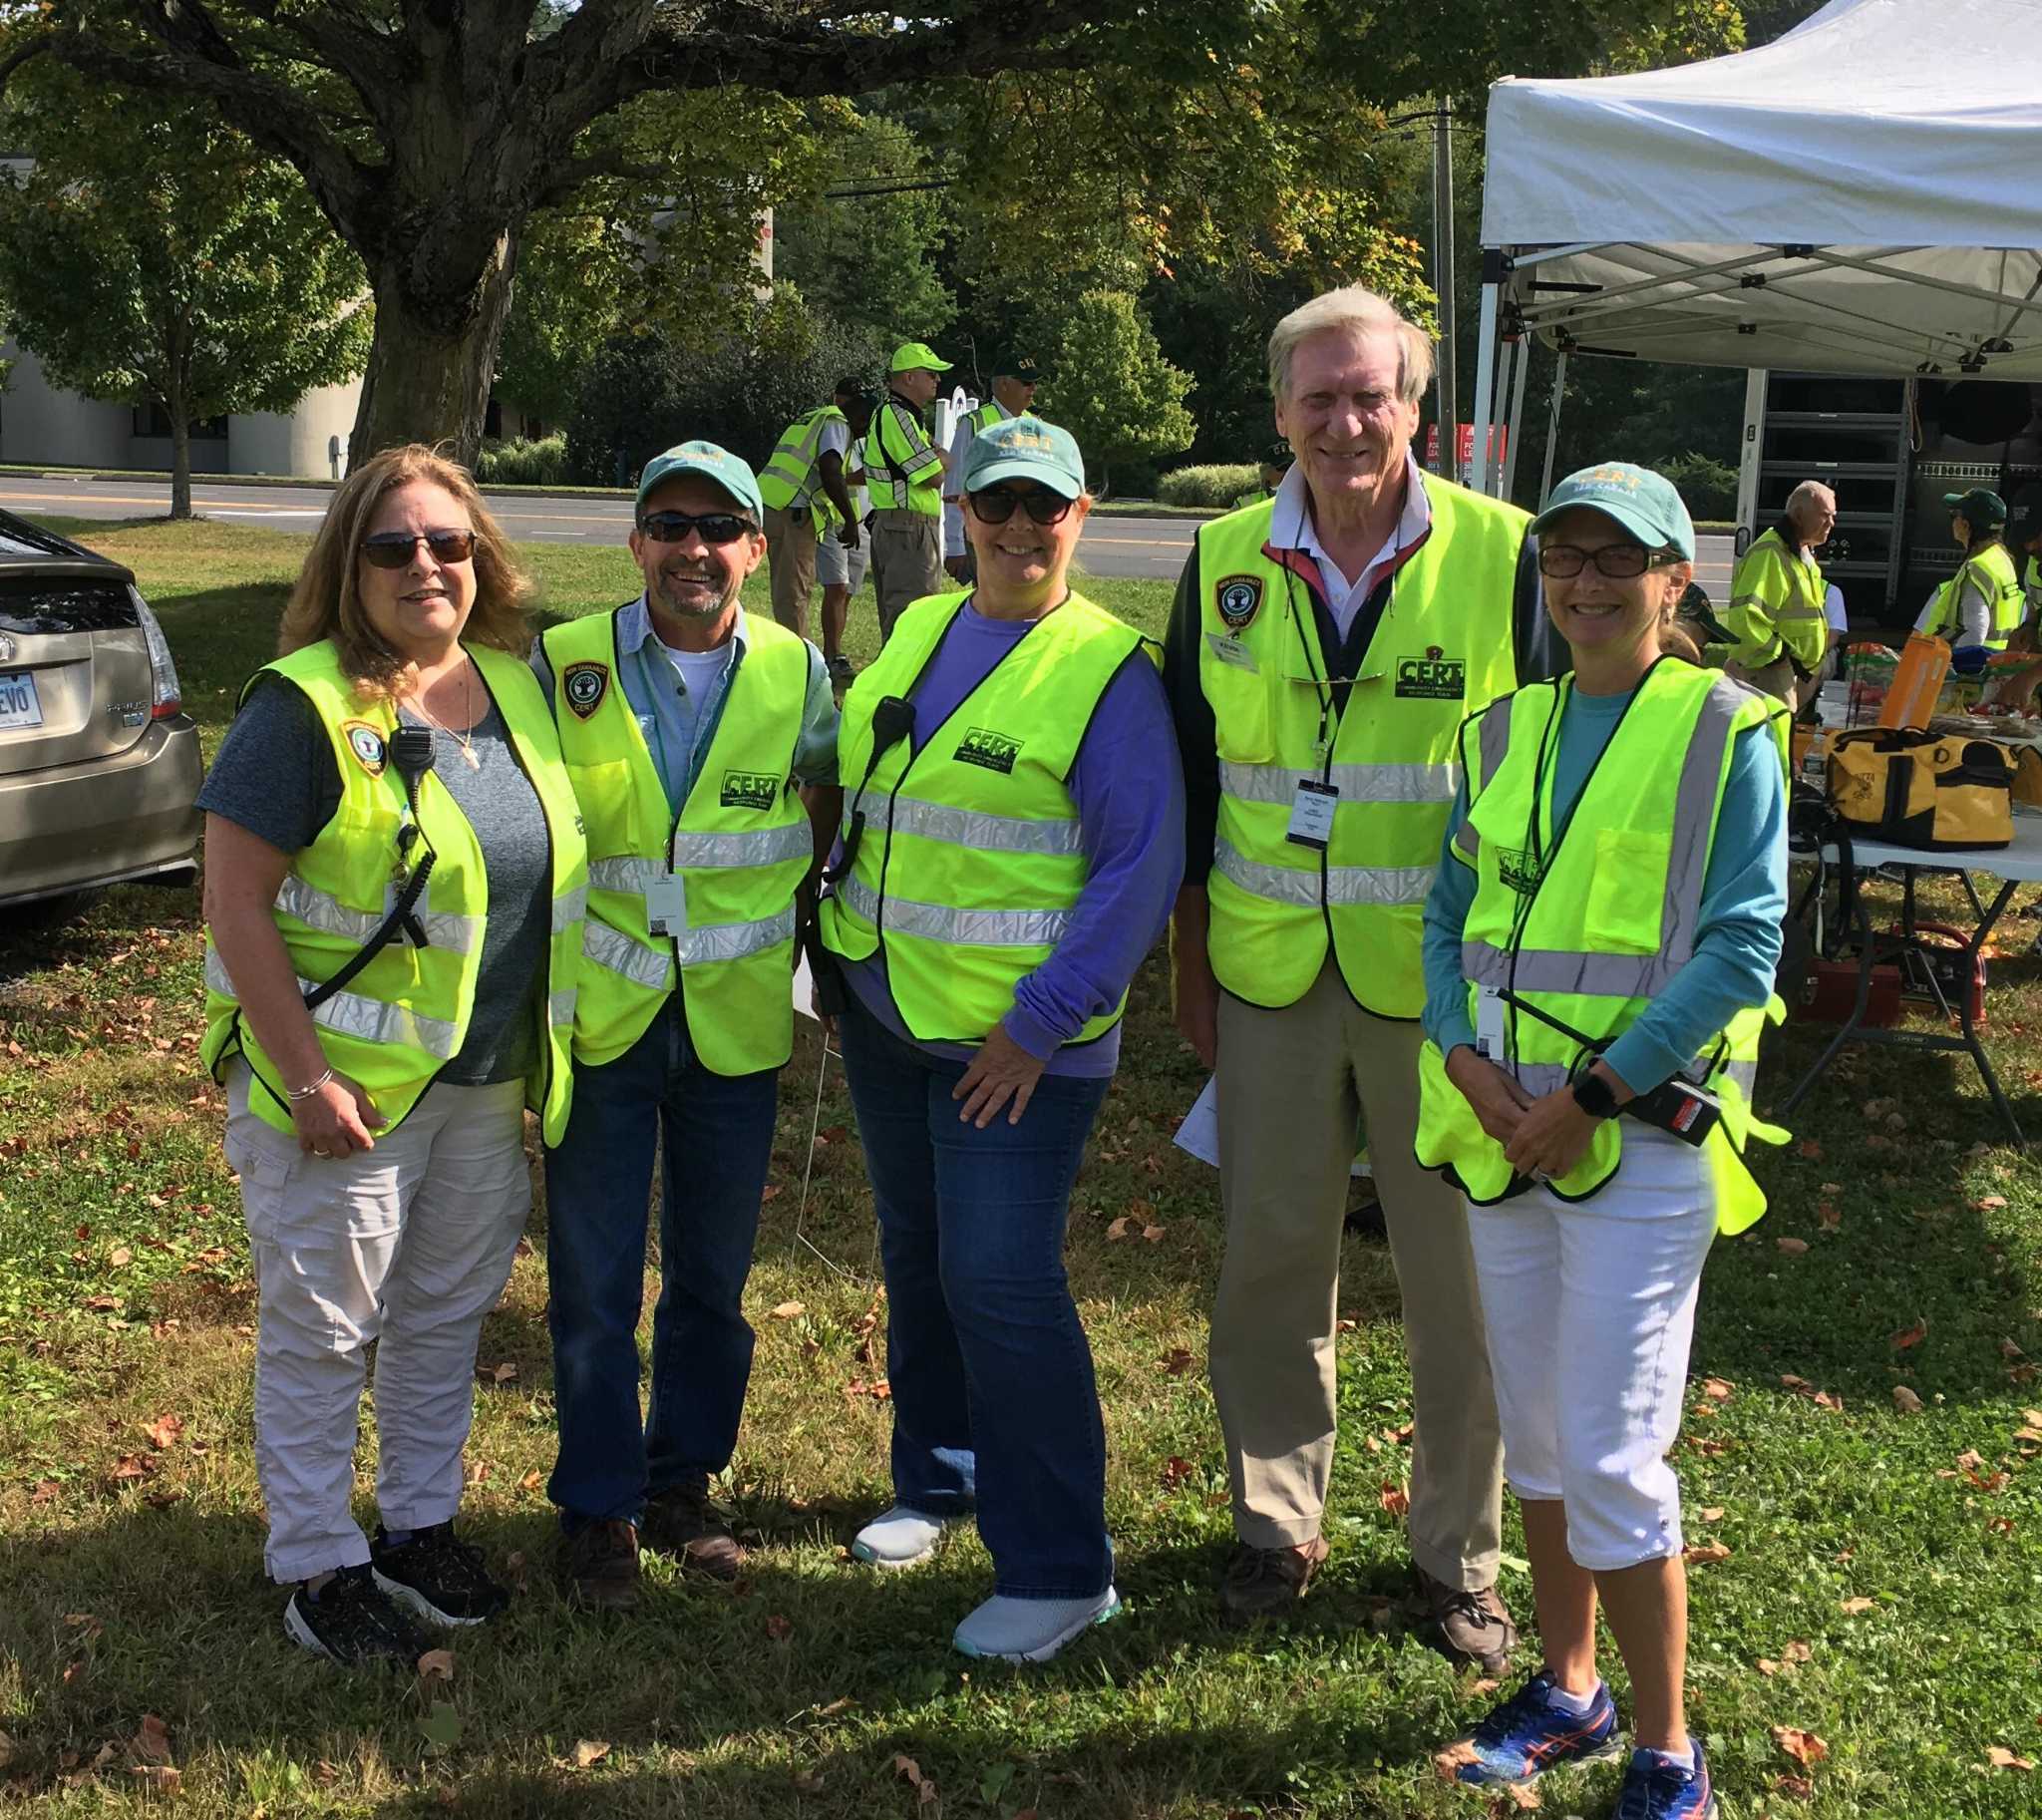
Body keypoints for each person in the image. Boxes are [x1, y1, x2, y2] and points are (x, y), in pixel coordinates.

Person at [1163, 284, 1554, 1657]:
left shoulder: (1504, 554)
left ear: (1413, 407)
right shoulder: (1220, 557)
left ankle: (1458, 1558)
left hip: (1446, 996)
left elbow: (1553, 765)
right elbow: (1196, 781)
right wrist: (1191, 960)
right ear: (1280, 411)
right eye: (1318, 398)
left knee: (1459, 1282)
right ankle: (1275, 1524)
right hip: (1267, 974)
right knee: (1270, 1262)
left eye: (1369, 395)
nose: (1344, 423)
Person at [1416, 462, 1789, 1820]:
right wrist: (1464, 1063)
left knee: (1615, 1456)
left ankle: (1670, 1753)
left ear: (1674, 581)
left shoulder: (1724, 732)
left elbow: (1741, 945)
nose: (1584, 582)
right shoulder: (1500, 731)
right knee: (1539, 1434)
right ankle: (1570, 1687)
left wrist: (1588, 1095)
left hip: (1637, 1142)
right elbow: (1442, 924)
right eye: (1564, 557)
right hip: (1501, 1134)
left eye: (1617, 560)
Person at [197, 445, 588, 1664]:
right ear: (348, 564)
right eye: (394, 544)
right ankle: (317, 1563)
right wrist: (306, 1076)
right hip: (341, 1090)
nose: (426, 564)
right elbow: (234, 902)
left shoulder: (514, 686)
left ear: (481, 559)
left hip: (482, 1080)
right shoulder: (304, 705)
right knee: (325, 1327)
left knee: (442, 1314)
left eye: (448, 542)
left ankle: (418, 1526)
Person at [819, 415, 1185, 1663]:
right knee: (920, 1253)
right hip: (889, 1009)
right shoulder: (921, 626)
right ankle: (938, 1479)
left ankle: (1060, 1567)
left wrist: (1035, 1028)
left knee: (1001, 1279)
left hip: (1018, 1045)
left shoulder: (1107, 671)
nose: (1019, 528)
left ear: (1082, 514)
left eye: (1045, 505)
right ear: (960, 512)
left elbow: (1138, 870)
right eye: (996, 504)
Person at [534, 441, 842, 1610]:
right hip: (604, 1022)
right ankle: (597, 1507)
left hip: (734, 1023)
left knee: (710, 1279)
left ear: (757, 549)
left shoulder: (795, 670)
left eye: (719, 528)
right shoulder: (565, 662)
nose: (693, 549)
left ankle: (681, 1484)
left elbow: (824, 798)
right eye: (669, 525)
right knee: (594, 1284)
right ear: (635, 542)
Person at [759, 377, 868, 679]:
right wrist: (849, 519)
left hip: (784, 505)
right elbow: (831, 471)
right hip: (790, 509)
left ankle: (806, 661)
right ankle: (798, 668)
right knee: (794, 593)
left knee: (795, 590)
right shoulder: (836, 421)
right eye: (863, 419)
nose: (864, 426)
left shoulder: (813, 417)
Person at [865, 341, 952, 642]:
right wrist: (940, 457)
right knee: (911, 619)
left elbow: (939, 461)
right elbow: (935, 475)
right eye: (931, 373)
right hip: (906, 527)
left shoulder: (908, 416)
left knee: (909, 617)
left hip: (904, 526)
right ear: (908, 377)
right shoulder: (897, 415)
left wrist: (939, 457)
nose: (937, 380)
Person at [1721, 480, 1835, 708]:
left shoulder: (1799, 552)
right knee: (1774, 728)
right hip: (1766, 670)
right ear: (1799, 515)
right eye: (1824, 515)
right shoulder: (1771, 553)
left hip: (1783, 669)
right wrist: (1781, 656)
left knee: (1781, 727)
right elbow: (1748, 619)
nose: (1830, 523)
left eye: (1833, 516)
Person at [942, 356, 1041, 583]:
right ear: (1004, 384)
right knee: (992, 597)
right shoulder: (974, 422)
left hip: (1025, 529)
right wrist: (955, 545)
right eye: (1026, 382)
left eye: (1035, 383)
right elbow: (956, 487)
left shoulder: (1035, 424)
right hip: (986, 531)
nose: (1033, 389)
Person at [814, 392, 876, 686]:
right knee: (837, 587)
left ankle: (836, 652)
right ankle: (832, 654)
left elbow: (869, 473)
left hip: (858, 518)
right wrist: (848, 479)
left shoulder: (863, 437)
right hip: (834, 518)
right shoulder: (836, 426)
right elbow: (831, 472)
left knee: (848, 590)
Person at [1925, 487, 2024, 667]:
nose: (1952, 521)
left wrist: (1953, 668)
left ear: (1966, 525)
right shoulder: (2000, 558)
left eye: (1954, 515)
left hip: (1969, 670)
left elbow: (1975, 631)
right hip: (1994, 662)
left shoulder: (1978, 568)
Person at [1232, 441, 1293, 509]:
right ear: (1264, 472)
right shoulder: (1246, 504)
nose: (1288, 472)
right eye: (1282, 467)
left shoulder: (1301, 495)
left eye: (1291, 467)